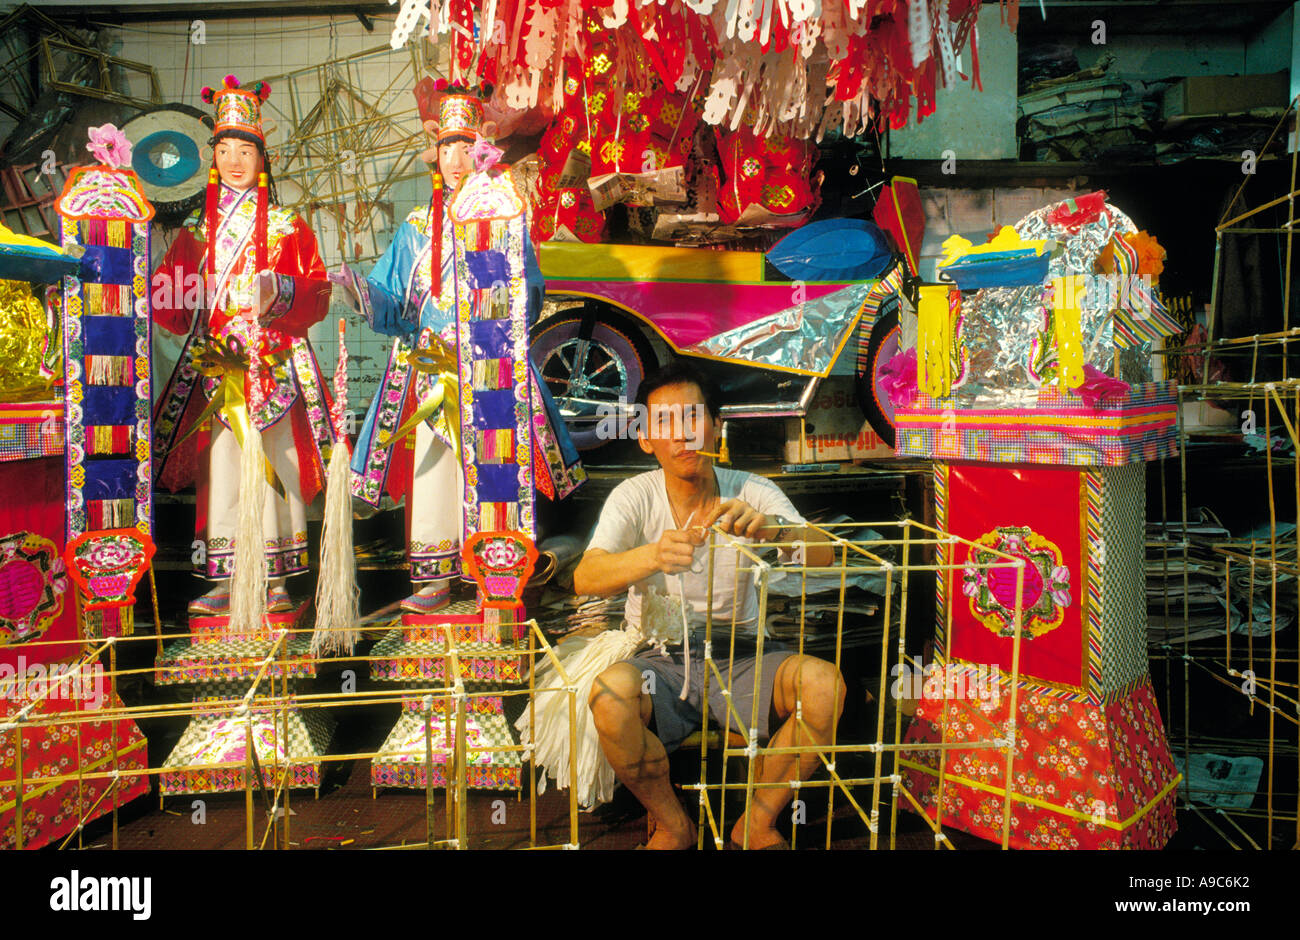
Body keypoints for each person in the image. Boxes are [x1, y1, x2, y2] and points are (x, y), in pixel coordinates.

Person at [574, 362, 846, 849]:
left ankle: (757, 822)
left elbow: (825, 553)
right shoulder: (633, 496)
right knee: (609, 697)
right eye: (664, 423)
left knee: (824, 685)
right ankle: (674, 823)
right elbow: (586, 577)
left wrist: (773, 529)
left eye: (693, 418)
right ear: (644, 437)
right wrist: (651, 554)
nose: (682, 435)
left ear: (716, 427)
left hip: (745, 655)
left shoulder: (751, 489)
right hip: (660, 659)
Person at [347, 80, 583, 614]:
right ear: (436, 151)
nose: (455, 158)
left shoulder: (505, 212)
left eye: (465, 144)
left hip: (490, 364)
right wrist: (364, 296)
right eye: (446, 145)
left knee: (493, 463)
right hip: (431, 364)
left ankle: (492, 570)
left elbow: (531, 290)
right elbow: (392, 298)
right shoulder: (414, 227)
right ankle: (431, 579)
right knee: (434, 465)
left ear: (483, 148)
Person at [152, 74, 333, 615]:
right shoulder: (196, 231)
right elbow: (173, 300)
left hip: (274, 364)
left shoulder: (287, 225)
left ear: (262, 156)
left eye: (246, 149)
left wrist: (277, 295)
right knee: (224, 468)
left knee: (273, 464)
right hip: (219, 366)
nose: (235, 160)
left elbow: (317, 291)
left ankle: (277, 579)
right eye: (225, 149)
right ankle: (227, 577)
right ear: (214, 158)